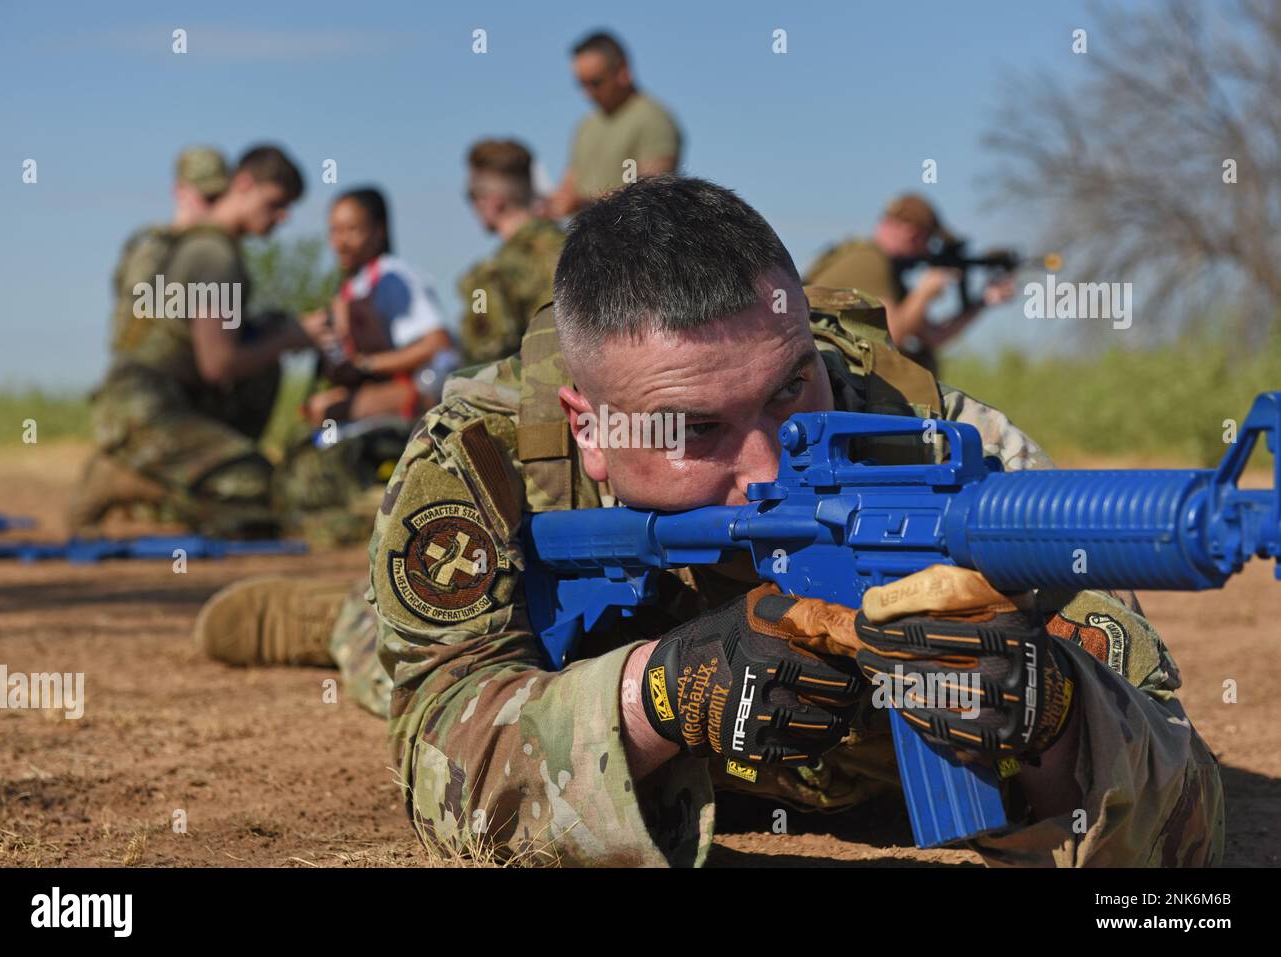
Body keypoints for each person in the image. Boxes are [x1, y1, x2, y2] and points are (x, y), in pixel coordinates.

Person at [194, 176, 1222, 867]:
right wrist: (662, 694)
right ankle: (338, 619)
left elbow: (1190, 802)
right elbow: (445, 763)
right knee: (386, 650)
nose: (766, 468)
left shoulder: (945, 451)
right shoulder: (487, 464)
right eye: (694, 430)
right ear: (588, 430)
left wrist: (1051, 725)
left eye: (789, 393)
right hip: (556, 643)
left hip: (845, 755)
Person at [68, 145, 311, 537]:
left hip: (146, 403)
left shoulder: (203, 246)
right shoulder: (215, 256)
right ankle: (125, 482)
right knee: (260, 491)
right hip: (149, 411)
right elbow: (220, 365)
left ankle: (172, 477)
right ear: (244, 184)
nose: (283, 217)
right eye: (276, 203)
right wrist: (292, 338)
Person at [804, 194, 1014, 374]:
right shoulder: (868, 259)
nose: (927, 251)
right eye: (925, 241)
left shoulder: (886, 269)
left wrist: (983, 302)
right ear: (911, 234)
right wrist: (923, 293)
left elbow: (933, 337)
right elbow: (893, 335)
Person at [299, 188, 457, 426]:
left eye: (352, 230)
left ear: (379, 231)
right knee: (314, 407)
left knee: (325, 409)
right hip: (381, 386)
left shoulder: (393, 277)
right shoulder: (352, 286)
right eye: (334, 231)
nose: (340, 242)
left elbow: (439, 344)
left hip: (419, 389)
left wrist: (366, 365)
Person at [542, 31, 682, 218]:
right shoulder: (586, 126)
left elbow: (651, 196)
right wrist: (553, 204)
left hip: (629, 243)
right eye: (581, 85)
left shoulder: (653, 119)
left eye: (595, 82)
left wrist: (585, 202)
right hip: (584, 242)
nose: (587, 94)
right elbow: (569, 188)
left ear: (623, 70)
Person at [108, 147, 230, 358]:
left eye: (221, 197)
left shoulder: (208, 248)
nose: (216, 207)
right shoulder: (154, 250)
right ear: (180, 191)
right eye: (208, 198)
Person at [458, 139, 567, 365]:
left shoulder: (492, 273)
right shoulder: (579, 245)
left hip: (542, 392)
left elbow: (484, 357)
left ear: (494, 202)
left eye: (472, 195)